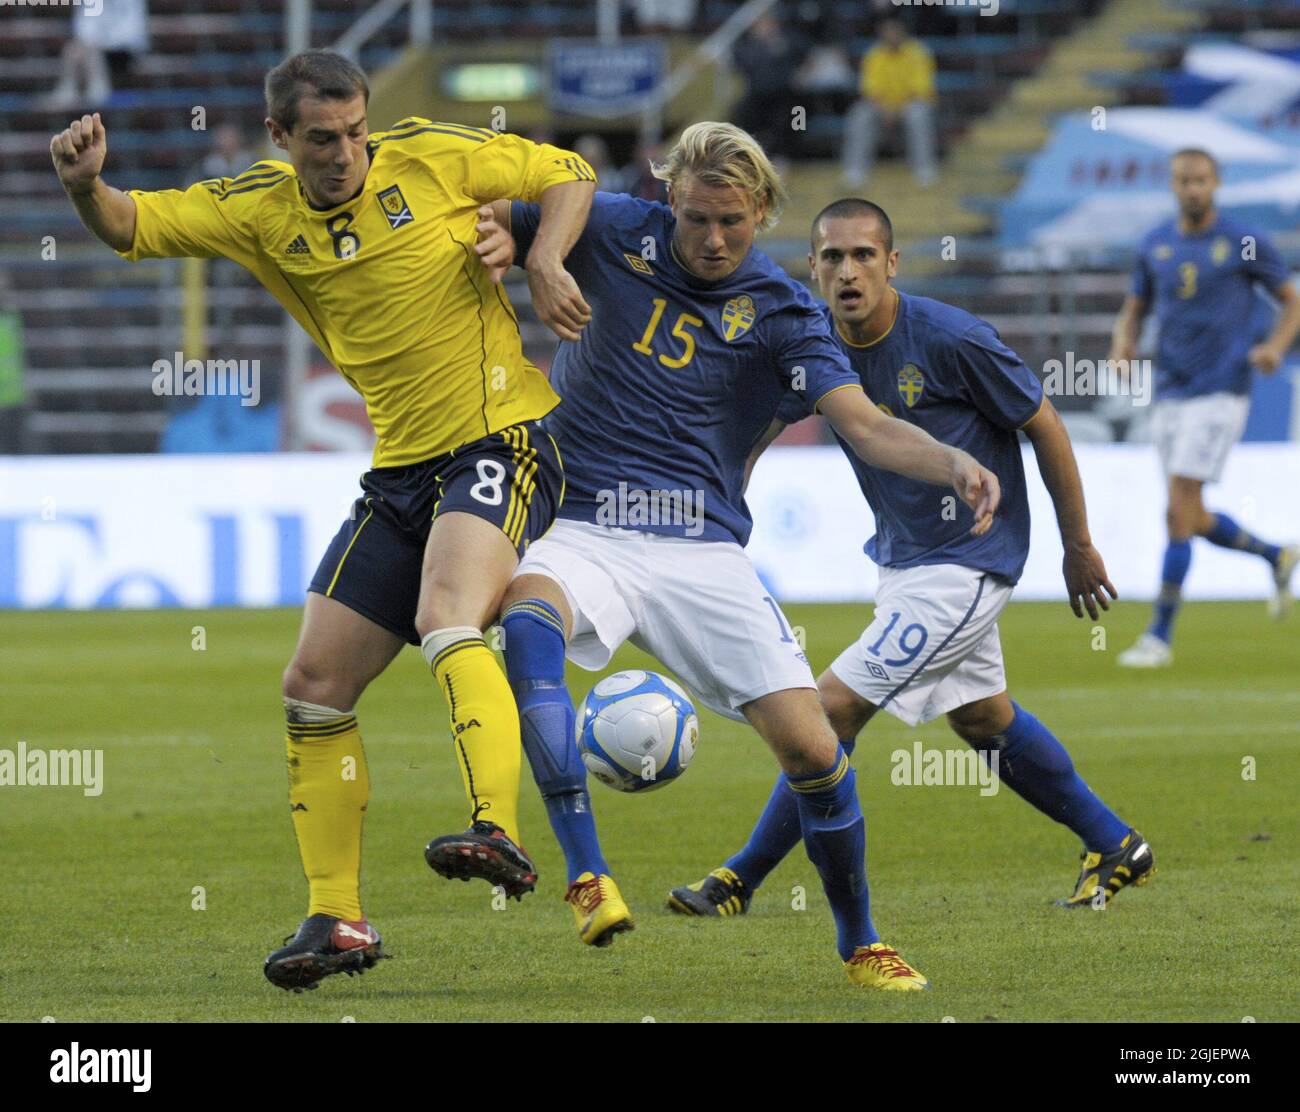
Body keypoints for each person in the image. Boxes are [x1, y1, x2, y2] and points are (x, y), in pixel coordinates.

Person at [51, 49, 598, 992]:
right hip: (400, 473)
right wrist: (84, 184)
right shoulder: (256, 208)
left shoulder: (428, 155)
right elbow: (130, 226)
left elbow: (568, 171)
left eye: (355, 132)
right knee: (311, 684)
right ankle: (338, 919)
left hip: (502, 438)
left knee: (446, 614)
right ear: (280, 138)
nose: (345, 152)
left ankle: (497, 829)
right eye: (322, 138)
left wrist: (542, 253)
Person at [476, 123, 1000, 990]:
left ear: (762, 210)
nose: (712, 240)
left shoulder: (785, 316)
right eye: (694, 220)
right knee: (526, 622)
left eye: (732, 221)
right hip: (582, 522)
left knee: (815, 752)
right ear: (666, 201)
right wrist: (517, 242)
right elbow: (502, 211)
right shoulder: (609, 227)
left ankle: (860, 940)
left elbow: (863, 424)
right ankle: (585, 874)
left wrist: (949, 460)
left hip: (700, 549)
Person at [669, 197, 1157, 924]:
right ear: (813, 268)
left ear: (892, 263)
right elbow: (756, 428)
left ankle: (737, 882)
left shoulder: (952, 337)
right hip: (903, 560)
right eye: (832, 257)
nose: (848, 271)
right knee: (983, 718)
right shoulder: (811, 345)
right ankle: (1115, 843)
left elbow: (1045, 425)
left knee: (827, 712)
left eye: (864, 255)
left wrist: (1077, 545)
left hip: (966, 562)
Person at [1110, 148, 1300, 668]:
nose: (1192, 189)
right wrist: (1121, 347)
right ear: (1172, 185)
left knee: (1177, 508)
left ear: (1216, 183)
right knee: (1189, 514)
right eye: (1183, 181)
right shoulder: (1155, 243)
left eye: (1200, 180)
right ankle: (1276, 555)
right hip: (1169, 391)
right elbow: (1135, 307)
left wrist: (1275, 348)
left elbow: (1292, 299)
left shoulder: (1242, 242)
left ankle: (1158, 637)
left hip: (1221, 391)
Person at [842, 18, 937, 187]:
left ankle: (924, 168)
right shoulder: (874, 55)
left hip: (909, 104)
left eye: (895, 31)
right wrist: (886, 109)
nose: (892, 35)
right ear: (882, 34)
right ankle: (855, 170)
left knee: (918, 113)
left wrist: (896, 108)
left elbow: (921, 89)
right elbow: (869, 90)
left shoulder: (918, 52)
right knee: (860, 113)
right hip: (880, 107)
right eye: (888, 32)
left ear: (902, 32)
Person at [44, 0, 150, 110]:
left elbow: (132, 33)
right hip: (94, 51)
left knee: (84, 49)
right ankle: (78, 92)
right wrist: (95, 42)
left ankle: (89, 93)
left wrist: (102, 42)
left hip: (124, 51)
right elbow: (82, 29)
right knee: (73, 49)